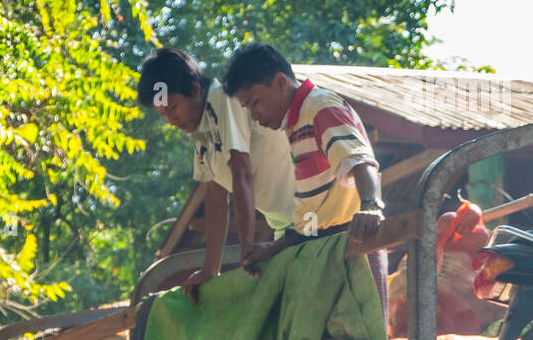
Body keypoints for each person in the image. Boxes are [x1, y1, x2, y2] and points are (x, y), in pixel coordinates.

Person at [221, 42, 387, 318]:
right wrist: (273, 249)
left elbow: (359, 160)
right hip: (324, 252)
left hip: (354, 247)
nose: (254, 115)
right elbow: (316, 212)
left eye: (255, 103)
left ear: (280, 82)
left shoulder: (321, 107)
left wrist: (370, 205)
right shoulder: (296, 125)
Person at [137, 46, 295, 302]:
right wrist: (211, 269)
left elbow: (241, 172)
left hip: (311, 219)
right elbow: (215, 195)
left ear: (195, 90)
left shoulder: (225, 99)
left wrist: (247, 248)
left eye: (173, 107)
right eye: (162, 114)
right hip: (284, 229)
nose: (171, 120)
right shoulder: (198, 132)